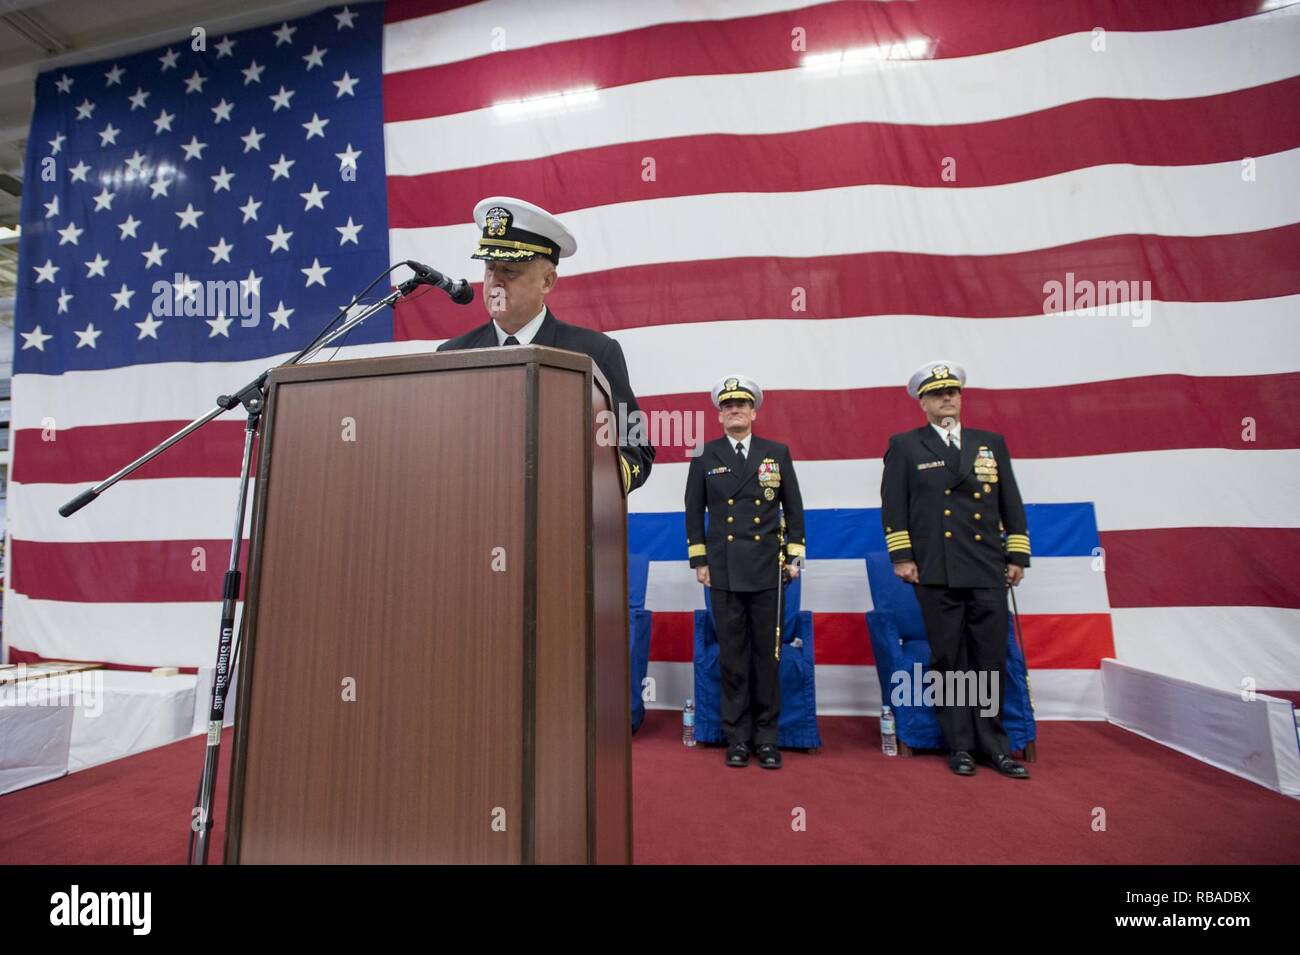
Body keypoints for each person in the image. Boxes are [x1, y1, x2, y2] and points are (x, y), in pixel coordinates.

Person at [436, 197, 654, 493]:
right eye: (490, 268)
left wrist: (588, 483)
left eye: (510, 272)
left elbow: (635, 448)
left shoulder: (592, 353)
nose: (495, 282)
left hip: (559, 521)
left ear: (547, 281)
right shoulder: (451, 355)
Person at [880, 361, 1032, 779]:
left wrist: (1016, 554)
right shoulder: (906, 446)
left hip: (986, 566)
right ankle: (960, 745)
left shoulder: (990, 443)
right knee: (950, 659)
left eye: (953, 392)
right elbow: (893, 508)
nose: (947, 398)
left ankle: (994, 745)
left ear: (961, 398)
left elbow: (1011, 503)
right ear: (923, 404)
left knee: (989, 658)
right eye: (937, 394)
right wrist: (903, 557)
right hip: (936, 569)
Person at [684, 376, 806, 769]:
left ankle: (767, 738)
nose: (734, 410)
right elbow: (693, 512)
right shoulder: (705, 455)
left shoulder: (777, 453)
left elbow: (794, 508)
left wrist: (795, 556)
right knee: (733, 656)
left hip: (769, 569)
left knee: (767, 656)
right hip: (724, 570)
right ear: (719, 415)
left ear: (754, 412)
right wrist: (700, 561)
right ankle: (737, 737)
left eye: (741, 404)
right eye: (727, 405)